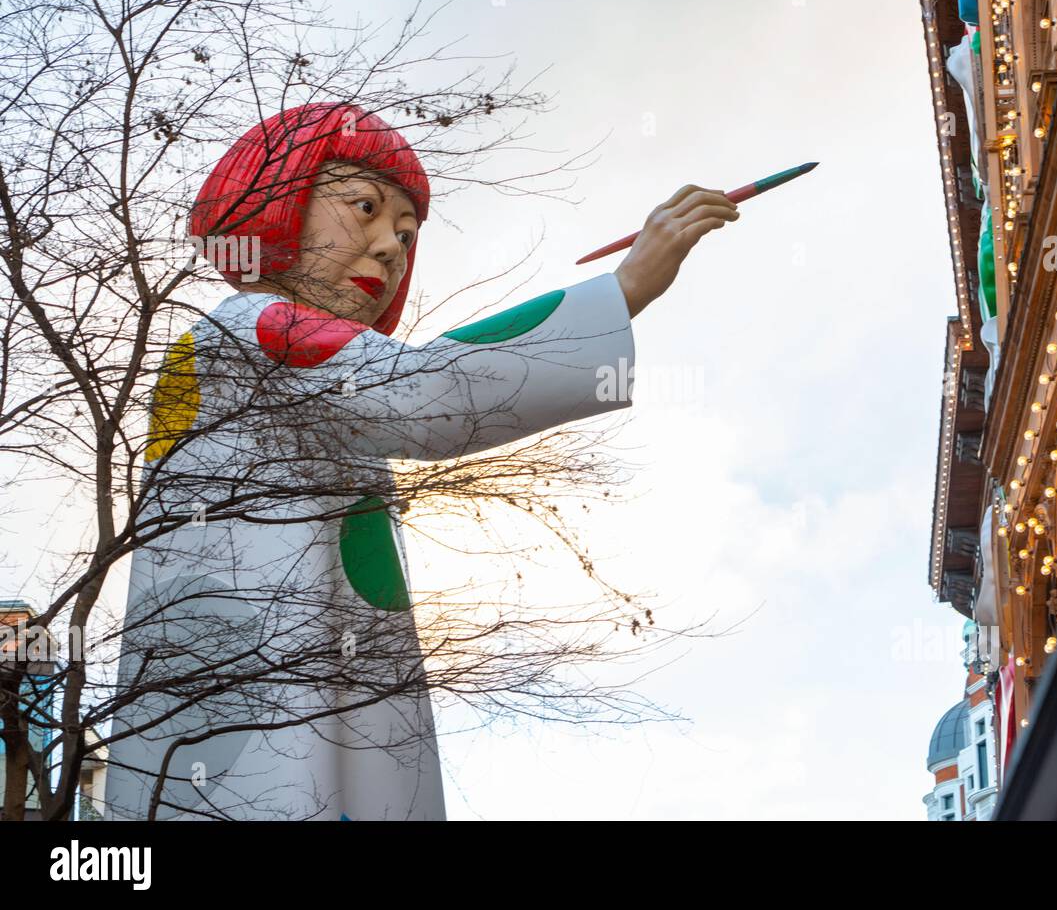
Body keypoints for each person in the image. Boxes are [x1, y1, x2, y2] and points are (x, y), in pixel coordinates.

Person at [103, 102, 739, 820]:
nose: (389, 247)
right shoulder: (254, 324)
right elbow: (429, 390)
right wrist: (624, 289)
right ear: (277, 202)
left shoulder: (250, 352)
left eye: (405, 234)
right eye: (366, 208)